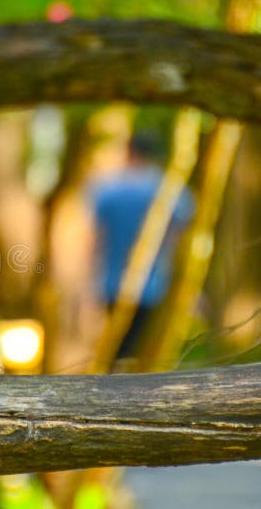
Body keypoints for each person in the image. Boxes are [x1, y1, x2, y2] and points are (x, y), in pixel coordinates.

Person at [90, 134, 194, 358]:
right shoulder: (170, 190)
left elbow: (96, 240)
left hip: (112, 283)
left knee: (116, 349)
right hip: (155, 285)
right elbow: (177, 240)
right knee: (145, 351)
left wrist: (88, 283)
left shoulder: (107, 190)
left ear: (129, 152)